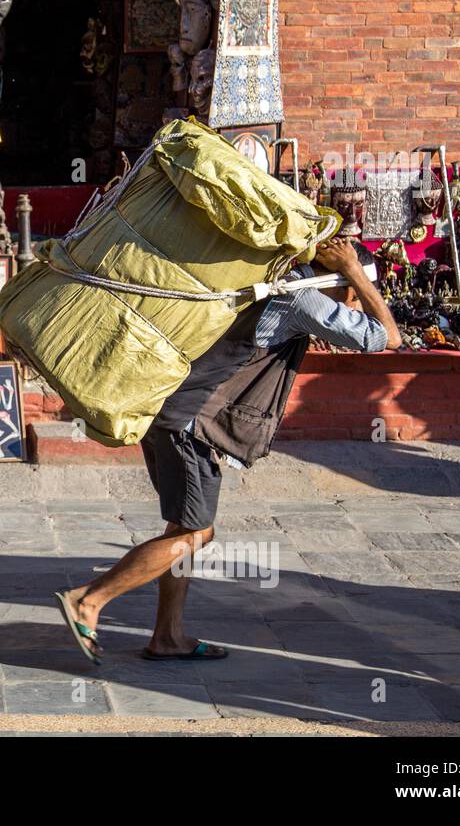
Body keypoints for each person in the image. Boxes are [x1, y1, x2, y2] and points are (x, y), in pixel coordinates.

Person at [54, 237, 401, 664]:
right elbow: (386, 338)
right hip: (189, 420)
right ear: (339, 277)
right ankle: (88, 600)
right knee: (195, 533)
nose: (350, 303)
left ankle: (168, 636)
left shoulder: (277, 283)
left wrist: (348, 279)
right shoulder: (303, 299)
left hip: (168, 410)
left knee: (182, 528)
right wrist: (356, 275)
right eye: (349, 294)